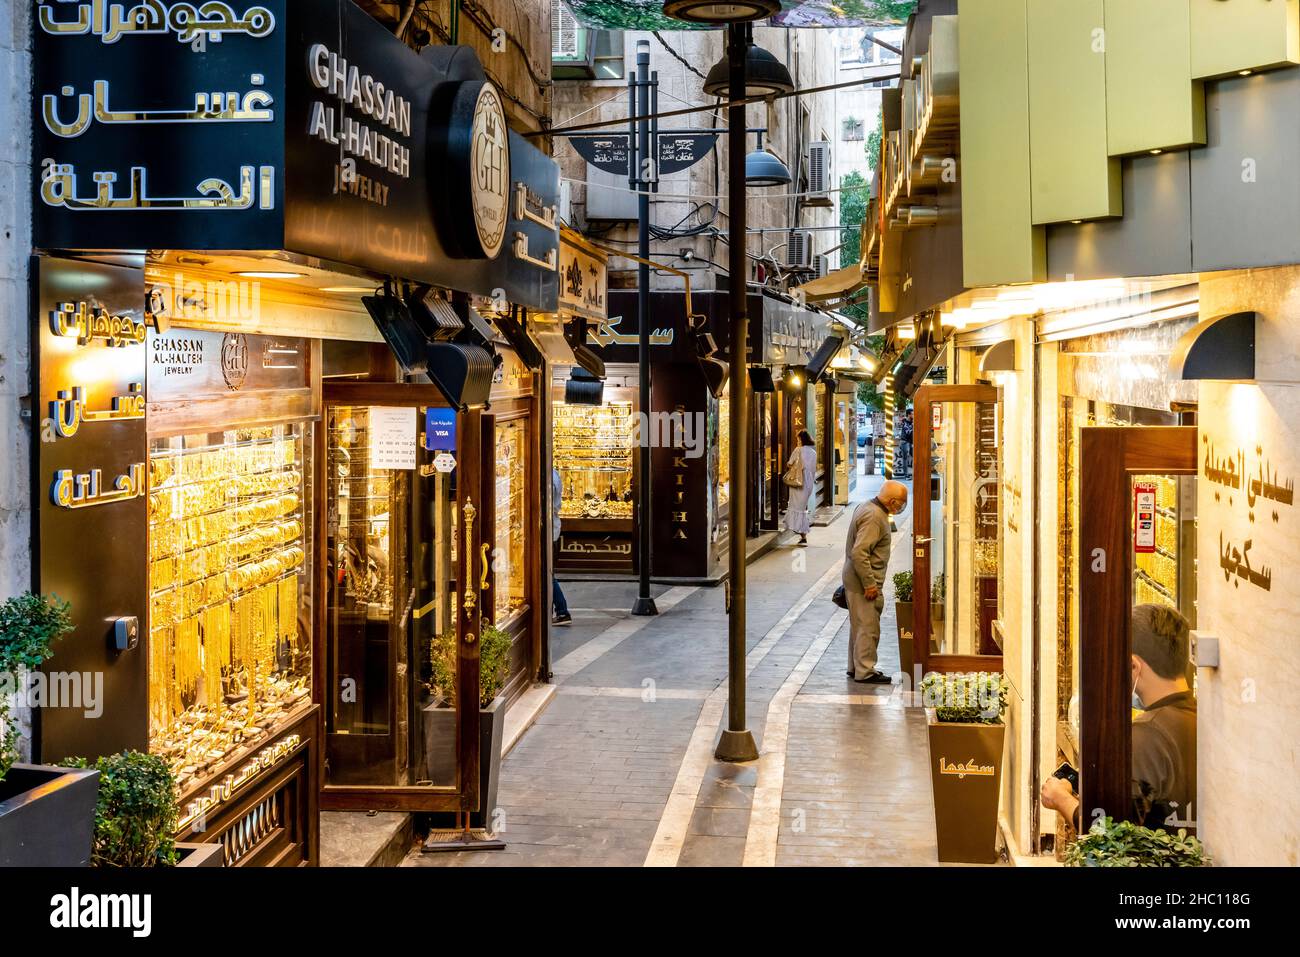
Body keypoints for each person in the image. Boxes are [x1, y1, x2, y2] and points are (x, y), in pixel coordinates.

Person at [1041, 604, 1197, 835]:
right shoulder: (1200, 718)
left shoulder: (1146, 737)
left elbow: (1111, 834)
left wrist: (1061, 799)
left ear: (1134, 665)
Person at [843, 480, 909, 684]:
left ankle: (856, 667)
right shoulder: (875, 517)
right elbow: (859, 552)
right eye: (902, 503)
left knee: (859, 625)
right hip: (863, 582)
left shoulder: (866, 506)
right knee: (868, 627)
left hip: (855, 578)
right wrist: (870, 584)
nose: (902, 507)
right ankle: (865, 670)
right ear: (892, 501)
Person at [784, 430, 818, 545]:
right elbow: (813, 470)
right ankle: (802, 534)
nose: (797, 441)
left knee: (795, 506)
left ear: (801, 439)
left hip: (797, 482)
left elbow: (789, 463)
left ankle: (797, 528)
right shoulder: (813, 453)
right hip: (808, 484)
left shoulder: (798, 450)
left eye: (798, 439)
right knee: (802, 509)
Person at [551, 467, 571, 626]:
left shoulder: (549, 477)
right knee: (547, 574)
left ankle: (562, 611)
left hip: (549, 531)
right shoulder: (554, 474)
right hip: (552, 529)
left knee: (547, 574)